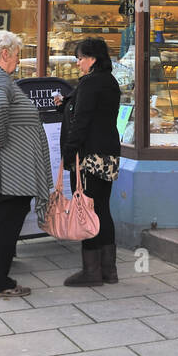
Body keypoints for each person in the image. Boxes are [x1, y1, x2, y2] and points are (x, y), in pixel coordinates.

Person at [0, 29, 52, 297]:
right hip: (5, 176)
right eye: (16, 55)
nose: (18, 60)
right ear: (4, 54)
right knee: (4, 231)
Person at [54, 36, 121, 287]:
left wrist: (69, 154)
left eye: (80, 58)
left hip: (88, 157)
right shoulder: (109, 82)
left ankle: (91, 272)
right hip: (108, 155)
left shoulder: (90, 84)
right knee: (102, 209)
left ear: (92, 59)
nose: (78, 63)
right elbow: (93, 113)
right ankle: (109, 271)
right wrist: (67, 106)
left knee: (86, 210)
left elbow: (82, 122)